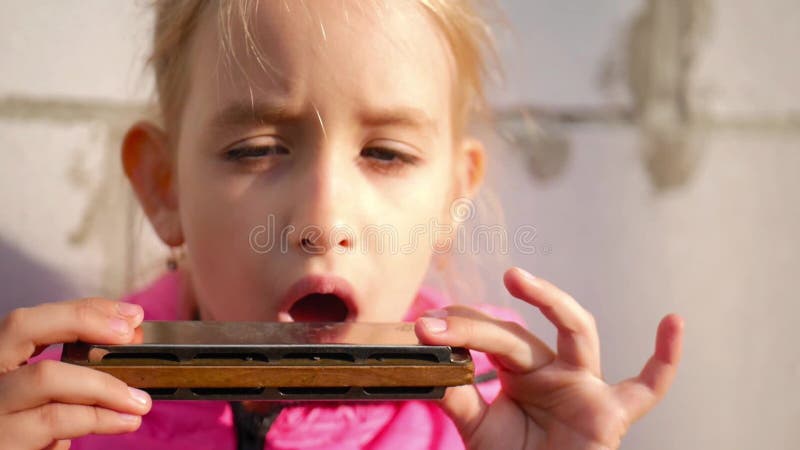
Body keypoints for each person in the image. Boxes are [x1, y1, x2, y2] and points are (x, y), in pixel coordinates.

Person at [0, 1, 684, 449]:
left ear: (453, 197)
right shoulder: (62, 411)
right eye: (257, 149)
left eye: (385, 153)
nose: (323, 221)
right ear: (165, 186)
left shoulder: (499, 418)